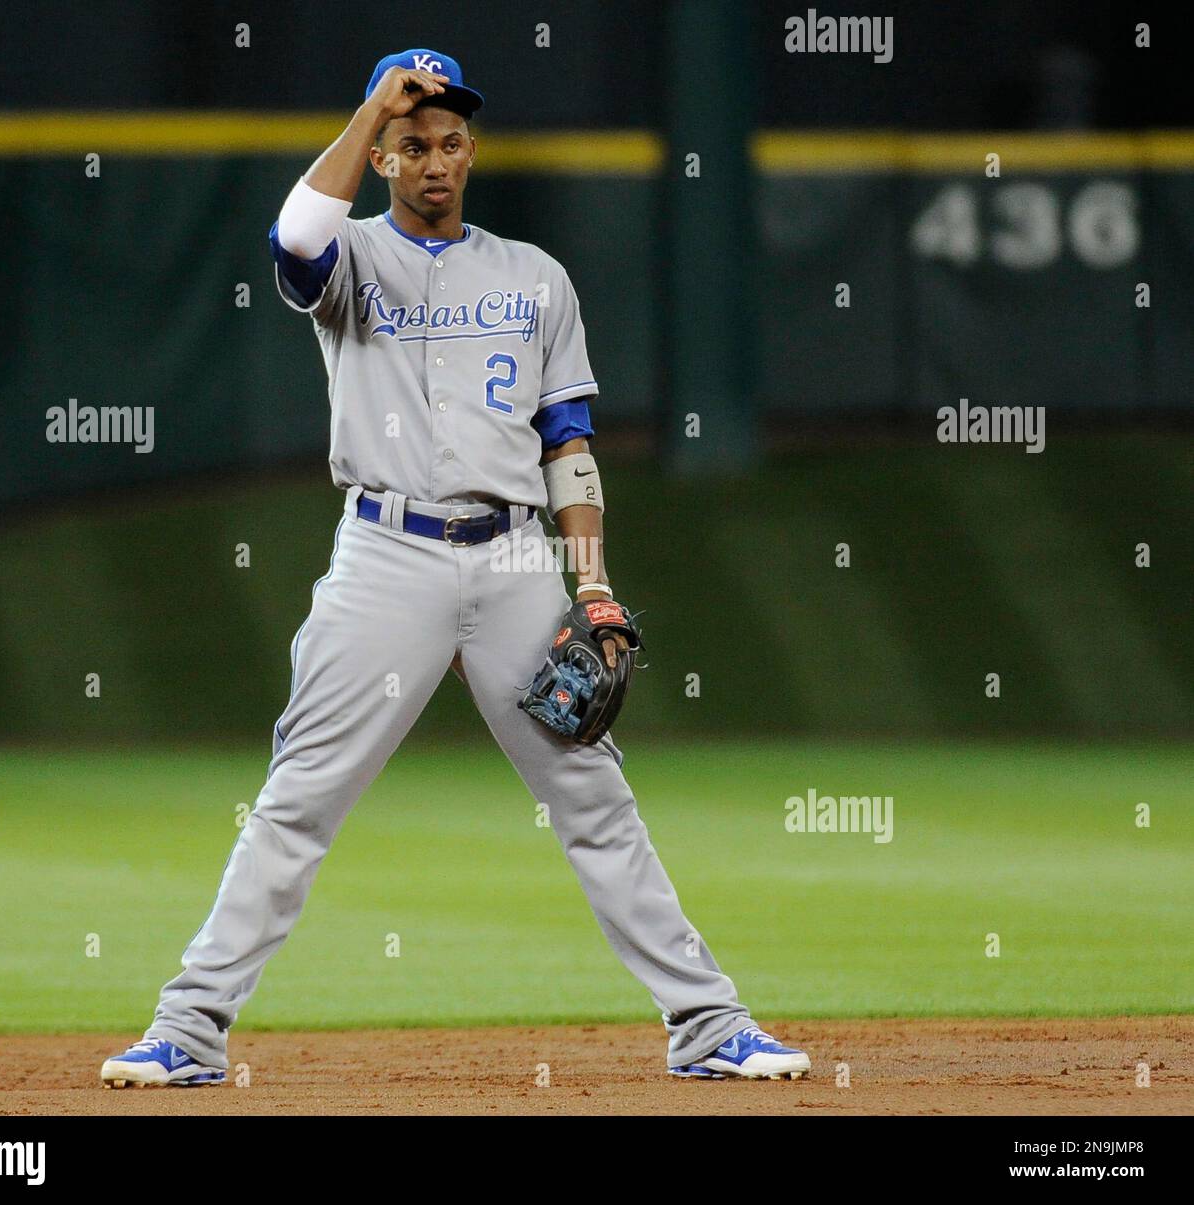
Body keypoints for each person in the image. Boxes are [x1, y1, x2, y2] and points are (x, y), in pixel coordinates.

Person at [100, 48, 810, 1088]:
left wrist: (593, 582)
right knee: (300, 798)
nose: (436, 160)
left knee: (593, 798)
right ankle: (187, 1028)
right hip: (386, 554)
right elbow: (292, 236)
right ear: (383, 156)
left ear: (470, 149)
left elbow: (567, 442)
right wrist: (370, 105)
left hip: (517, 557)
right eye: (413, 143)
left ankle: (709, 1024)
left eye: (450, 140)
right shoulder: (350, 261)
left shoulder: (533, 277)